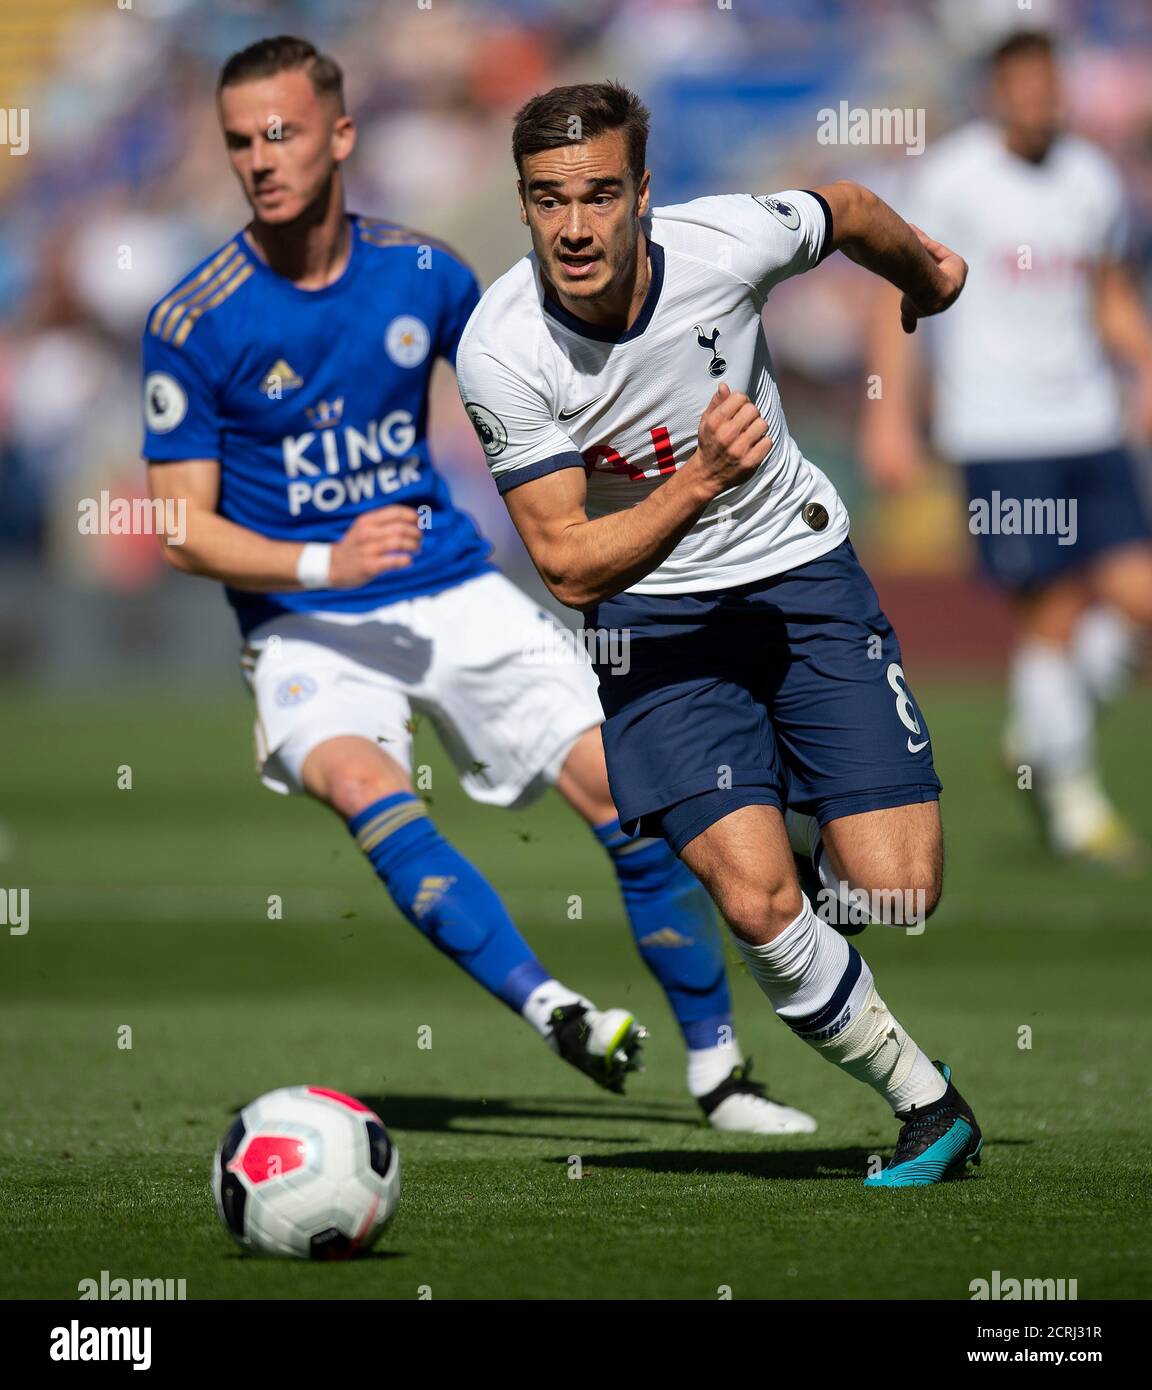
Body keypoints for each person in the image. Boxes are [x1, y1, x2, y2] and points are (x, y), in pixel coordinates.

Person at [142, 37, 816, 1135]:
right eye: (238, 141)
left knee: (626, 795)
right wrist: (325, 563)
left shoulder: (426, 274)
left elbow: (543, 390)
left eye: (282, 133)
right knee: (366, 786)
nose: (260, 159)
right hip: (304, 617)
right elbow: (179, 528)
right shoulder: (193, 317)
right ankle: (553, 1007)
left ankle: (720, 1071)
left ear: (339, 135)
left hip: (449, 583)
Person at [456, 80, 980, 1185]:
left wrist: (923, 273)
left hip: (800, 577)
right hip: (653, 624)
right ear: (523, 204)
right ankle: (929, 1107)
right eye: (550, 200)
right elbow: (562, 562)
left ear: (643, 193)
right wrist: (697, 478)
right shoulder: (502, 347)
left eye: (601, 194)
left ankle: (788, 828)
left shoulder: (724, 242)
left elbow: (844, 206)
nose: (577, 226)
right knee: (755, 900)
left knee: (896, 890)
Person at [860, 29, 1152, 870]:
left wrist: (1140, 361)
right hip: (997, 426)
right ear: (996, 92)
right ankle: (1072, 804)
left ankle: (1038, 729)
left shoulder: (1092, 177)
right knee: (1052, 609)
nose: (1036, 100)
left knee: (1136, 599)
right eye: (1020, 86)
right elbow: (898, 297)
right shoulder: (952, 178)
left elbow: (1108, 291)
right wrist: (890, 416)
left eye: (1048, 85)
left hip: (1089, 419)